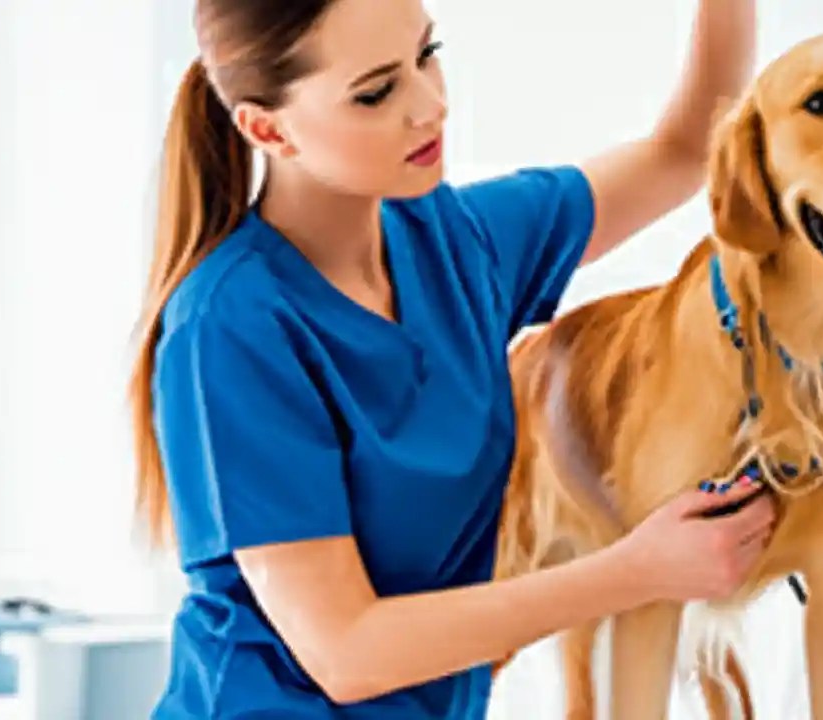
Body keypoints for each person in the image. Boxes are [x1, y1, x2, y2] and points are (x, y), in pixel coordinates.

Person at [128, 0, 773, 716]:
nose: (429, 105)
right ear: (267, 128)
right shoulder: (231, 326)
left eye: (427, 56)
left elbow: (682, 154)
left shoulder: (454, 242)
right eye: (376, 93)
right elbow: (346, 651)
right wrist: (638, 571)